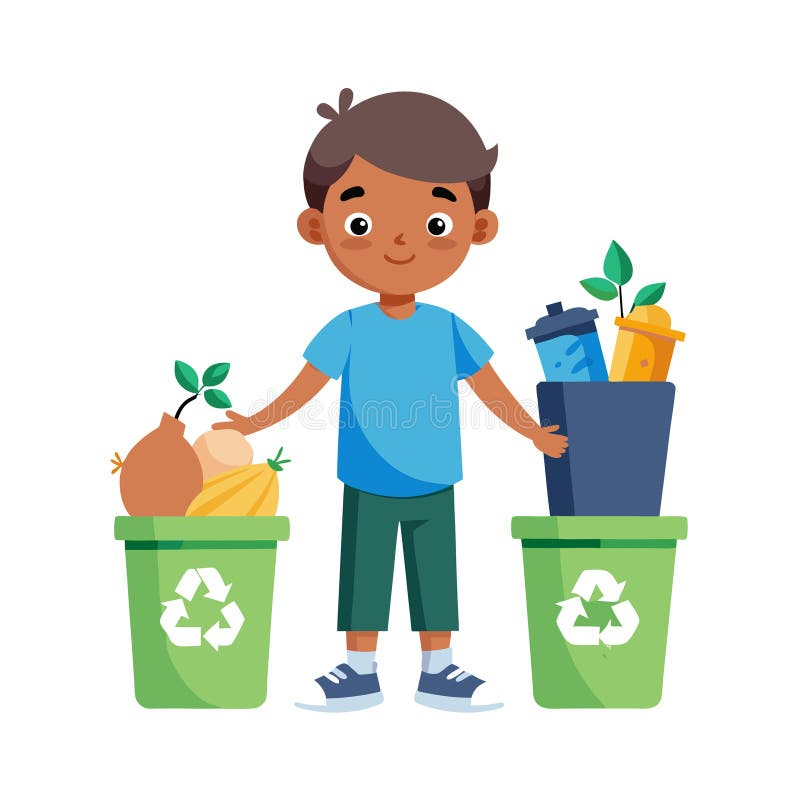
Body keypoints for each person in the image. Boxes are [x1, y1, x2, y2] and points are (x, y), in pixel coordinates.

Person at [214, 88, 568, 712]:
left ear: (478, 228)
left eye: (435, 225)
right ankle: (359, 672)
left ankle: (440, 670)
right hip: (367, 480)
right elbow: (305, 388)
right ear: (317, 228)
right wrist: (255, 421)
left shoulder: (449, 328)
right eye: (362, 224)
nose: (399, 243)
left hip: (434, 479)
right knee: (363, 580)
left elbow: (489, 388)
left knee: (437, 580)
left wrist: (532, 433)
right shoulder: (348, 327)